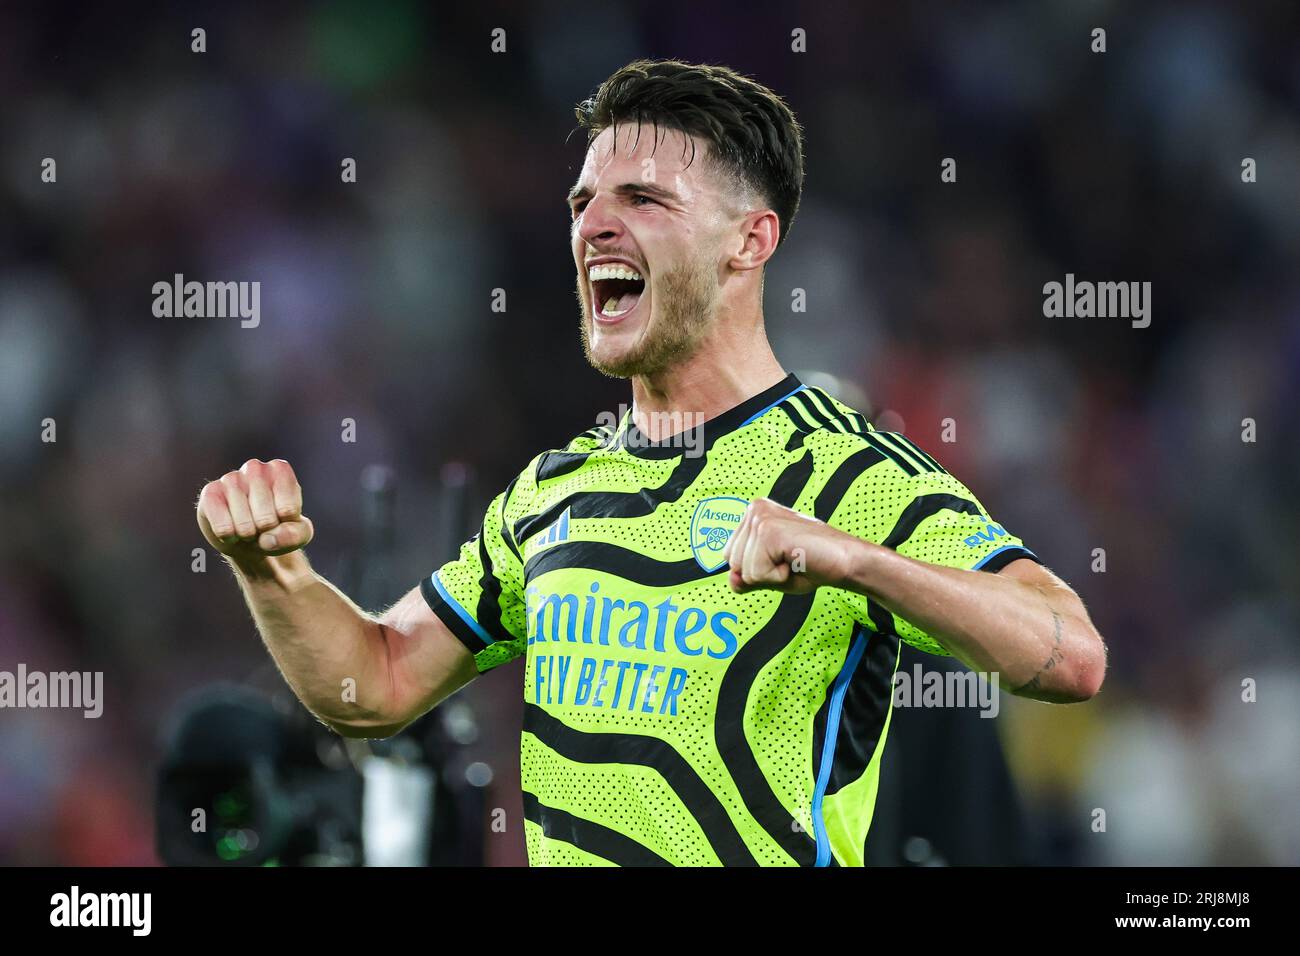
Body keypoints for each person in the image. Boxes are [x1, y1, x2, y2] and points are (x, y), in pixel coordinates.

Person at [196, 59, 1107, 866]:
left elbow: (1071, 655)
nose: (594, 224)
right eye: (584, 202)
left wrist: (856, 562)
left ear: (749, 241)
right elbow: (377, 683)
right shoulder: (556, 489)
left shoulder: (850, 473)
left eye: (643, 199)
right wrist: (272, 573)